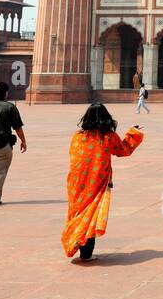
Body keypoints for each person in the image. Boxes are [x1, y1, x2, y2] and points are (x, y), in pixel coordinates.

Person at [61, 103, 144, 261]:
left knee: (78, 213)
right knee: (91, 215)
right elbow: (123, 150)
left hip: (76, 182)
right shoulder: (107, 136)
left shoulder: (77, 136)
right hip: (96, 183)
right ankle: (85, 254)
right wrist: (134, 133)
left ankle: (75, 242)